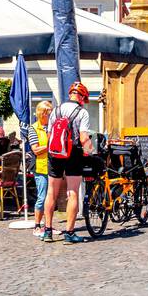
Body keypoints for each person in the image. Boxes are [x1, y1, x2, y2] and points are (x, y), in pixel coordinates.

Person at [41, 82, 93, 245]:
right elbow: (84, 138)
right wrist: (90, 150)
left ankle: (47, 231)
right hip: (73, 154)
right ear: (82, 97)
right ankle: (70, 233)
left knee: (51, 192)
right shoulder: (82, 112)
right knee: (72, 192)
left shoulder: (55, 110)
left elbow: (50, 136)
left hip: (54, 153)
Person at [27, 100, 52, 236]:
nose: (50, 116)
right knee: (42, 197)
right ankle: (37, 225)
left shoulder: (52, 127)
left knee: (51, 198)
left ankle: (48, 225)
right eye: (48, 113)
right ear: (41, 114)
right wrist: (50, 146)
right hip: (40, 166)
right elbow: (35, 149)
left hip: (53, 166)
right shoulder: (33, 128)